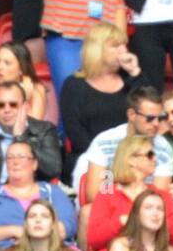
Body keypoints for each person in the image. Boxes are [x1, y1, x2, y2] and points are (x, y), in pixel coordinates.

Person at [58, 25, 141, 176]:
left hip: (132, 159)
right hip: (91, 160)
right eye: (116, 46)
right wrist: (108, 158)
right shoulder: (74, 85)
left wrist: (135, 72)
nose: (124, 50)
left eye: (124, 45)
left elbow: (150, 109)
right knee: (106, 189)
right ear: (97, 49)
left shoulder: (130, 79)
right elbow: (76, 133)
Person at [0, 140, 76, 250]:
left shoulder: (52, 192)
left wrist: (27, 237)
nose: (15, 162)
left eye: (21, 157)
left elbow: (67, 227)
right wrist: (14, 230)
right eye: (10, 158)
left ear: (34, 164)